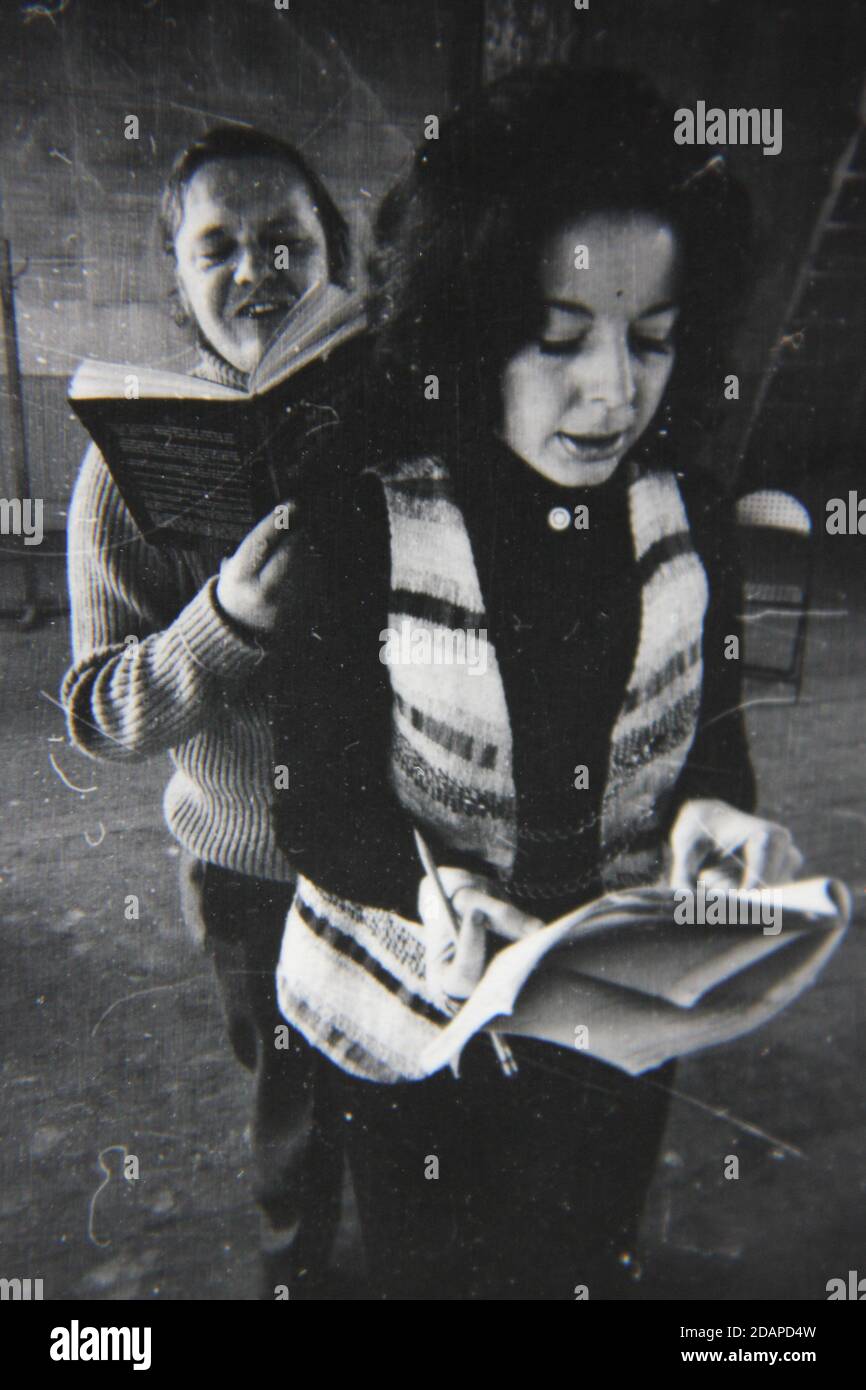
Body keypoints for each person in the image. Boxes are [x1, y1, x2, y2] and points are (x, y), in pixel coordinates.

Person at [265, 67, 807, 1301]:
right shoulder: (363, 519)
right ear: (470, 323)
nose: (612, 390)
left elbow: (709, 750)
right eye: (560, 341)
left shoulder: (686, 518)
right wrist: (431, 885)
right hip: (411, 1028)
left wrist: (713, 819)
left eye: (652, 339)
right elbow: (314, 797)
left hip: (606, 1031)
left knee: (580, 1263)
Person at [61, 124, 352, 1297]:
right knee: (294, 1111)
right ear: (178, 281)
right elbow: (96, 709)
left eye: (287, 242)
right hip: (251, 874)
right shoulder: (122, 473)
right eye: (217, 248)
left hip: (398, 843)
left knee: (402, 1089)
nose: (256, 272)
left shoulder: (400, 424)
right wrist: (222, 620)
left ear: (336, 255)